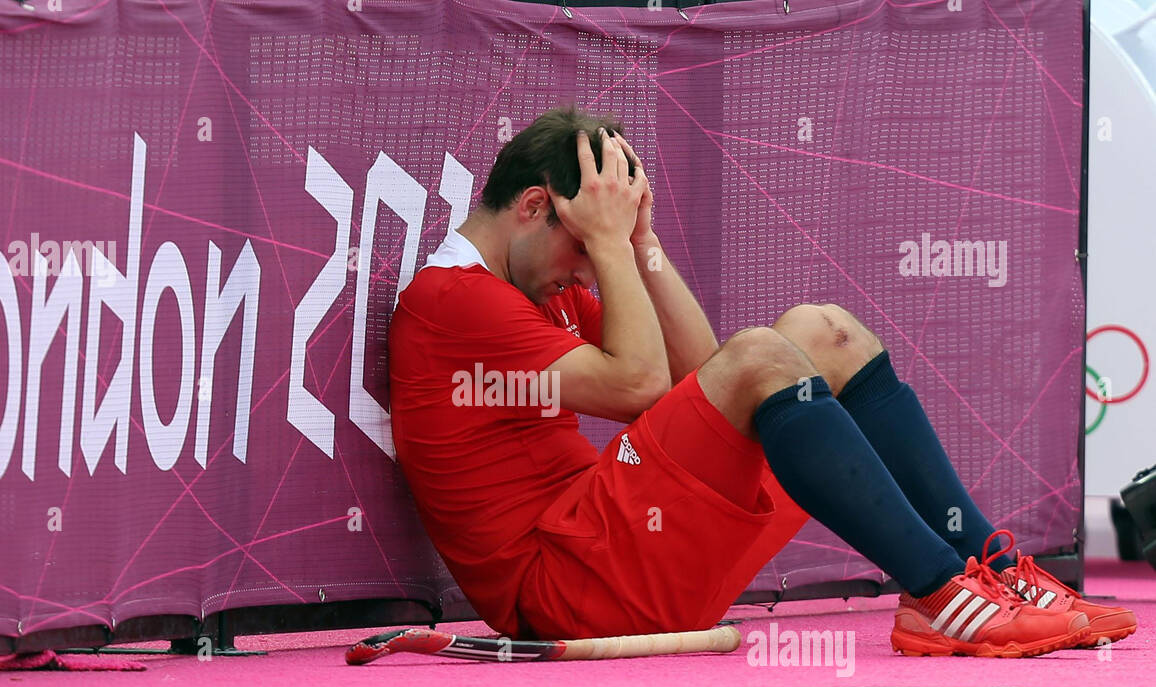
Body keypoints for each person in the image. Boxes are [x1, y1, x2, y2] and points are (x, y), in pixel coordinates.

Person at [388, 106, 1136, 657]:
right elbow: (646, 386)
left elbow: (698, 375)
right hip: (564, 590)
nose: (581, 276)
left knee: (824, 335)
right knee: (761, 356)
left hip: (614, 556)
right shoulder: (452, 300)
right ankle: (944, 593)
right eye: (580, 251)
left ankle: (990, 570)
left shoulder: (534, 283)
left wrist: (638, 242)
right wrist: (612, 244)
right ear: (532, 209)